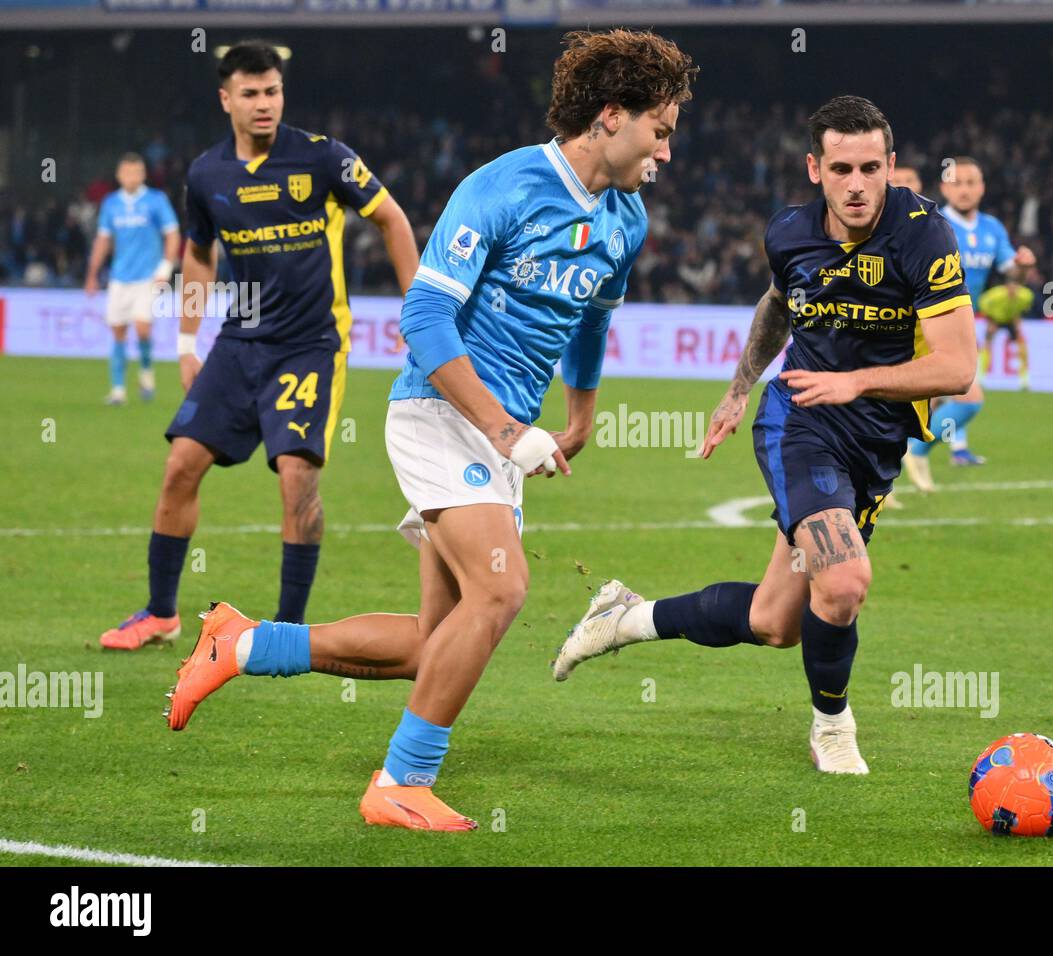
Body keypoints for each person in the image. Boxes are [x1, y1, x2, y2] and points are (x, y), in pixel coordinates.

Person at [162, 29, 697, 831]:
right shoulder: (506, 186)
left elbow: (590, 322)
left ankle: (240, 644)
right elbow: (425, 315)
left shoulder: (626, 222)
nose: (666, 150)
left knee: (430, 644)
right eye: (661, 129)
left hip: (499, 438)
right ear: (611, 118)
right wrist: (507, 428)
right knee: (504, 587)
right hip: (441, 413)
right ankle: (401, 783)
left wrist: (579, 415)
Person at [552, 95, 977, 775]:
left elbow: (958, 368)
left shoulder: (924, 235)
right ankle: (832, 726)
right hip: (800, 422)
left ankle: (625, 617)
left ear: (892, 167)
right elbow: (779, 305)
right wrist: (739, 388)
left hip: (875, 441)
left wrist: (858, 382)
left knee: (777, 622)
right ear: (816, 168)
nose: (858, 183)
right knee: (842, 584)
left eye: (872, 167)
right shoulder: (789, 233)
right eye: (842, 167)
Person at [99, 40, 418, 650]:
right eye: (250, 93)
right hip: (239, 343)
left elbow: (393, 220)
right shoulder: (207, 174)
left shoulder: (324, 158)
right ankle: (160, 613)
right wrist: (187, 339)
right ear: (227, 99)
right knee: (179, 467)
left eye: (272, 90)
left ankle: (288, 631)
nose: (264, 103)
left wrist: (421, 312)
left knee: (297, 476)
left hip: (310, 346)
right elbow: (198, 254)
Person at [901, 157, 1035, 487]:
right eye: (956, 183)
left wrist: (1023, 266)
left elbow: (1011, 273)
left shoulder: (992, 228)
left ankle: (887, 470)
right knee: (968, 396)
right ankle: (913, 452)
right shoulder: (928, 222)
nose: (964, 189)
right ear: (944, 187)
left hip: (959, 325)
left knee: (927, 400)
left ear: (982, 187)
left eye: (971, 182)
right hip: (922, 323)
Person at [83, 152, 180, 405]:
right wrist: (92, 274)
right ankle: (118, 391)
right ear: (119, 175)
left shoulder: (156, 200)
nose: (131, 177)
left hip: (148, 277)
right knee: (118, 332)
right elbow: (103, 240)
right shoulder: (111, 203)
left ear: (143, 175)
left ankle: (146, 371)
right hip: (119, 277)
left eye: (136, 172)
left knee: (142, 327)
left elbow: (172, 234)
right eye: (126, 172)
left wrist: (165, 268)